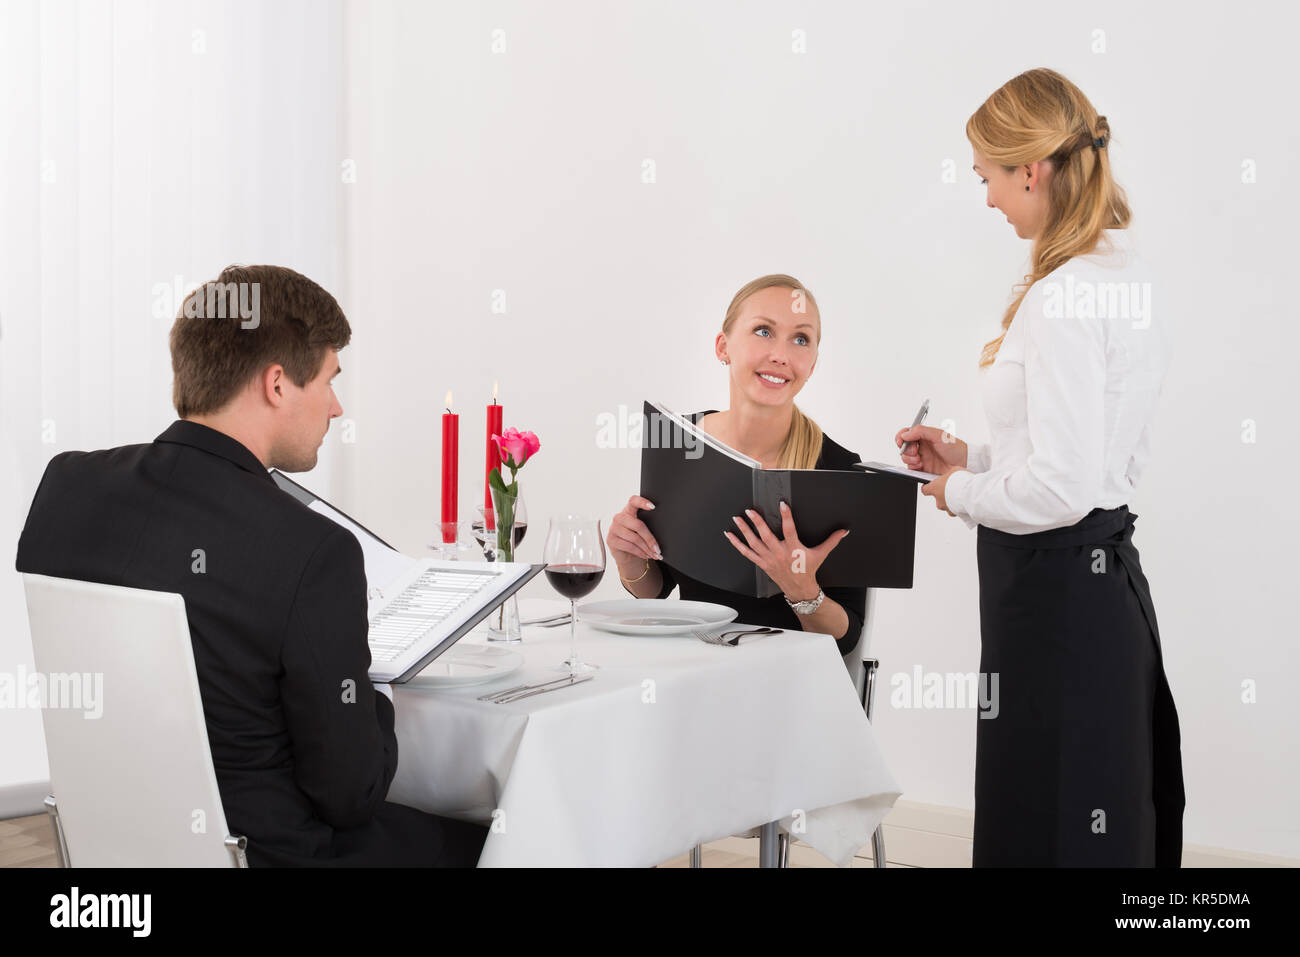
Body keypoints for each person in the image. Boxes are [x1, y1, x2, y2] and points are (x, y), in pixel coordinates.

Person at [15, 264, 488, 867]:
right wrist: (378, 697)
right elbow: (352, 794)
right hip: (272, 855)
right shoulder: (313, 550)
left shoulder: (67, 486)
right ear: (277, 384)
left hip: (115, 849)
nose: (337, 408)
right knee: (513, 835)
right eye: (328, 380)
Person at [896, 69, 1185, 866]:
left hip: (1053, 602)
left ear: (1031, 169)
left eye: (988, 176)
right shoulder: (1131, 279)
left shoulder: (1062, 297)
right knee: (1098, 810)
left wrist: (956, 489)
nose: (988, 198)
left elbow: (1060, 488)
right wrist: (976, 458)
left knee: (1044, 817)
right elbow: (1087, 464)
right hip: (1102, 595)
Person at [607, 274, 864, 662]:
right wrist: (629, 557)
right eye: (764, 331)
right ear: (723, 346)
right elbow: (656, 592)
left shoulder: (839, 472)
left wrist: (802, 591)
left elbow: (846, 637)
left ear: (812, 364)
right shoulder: (678, 442)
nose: (781, 354)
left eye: (800, 339)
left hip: (789, 684)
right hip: (693, 670)